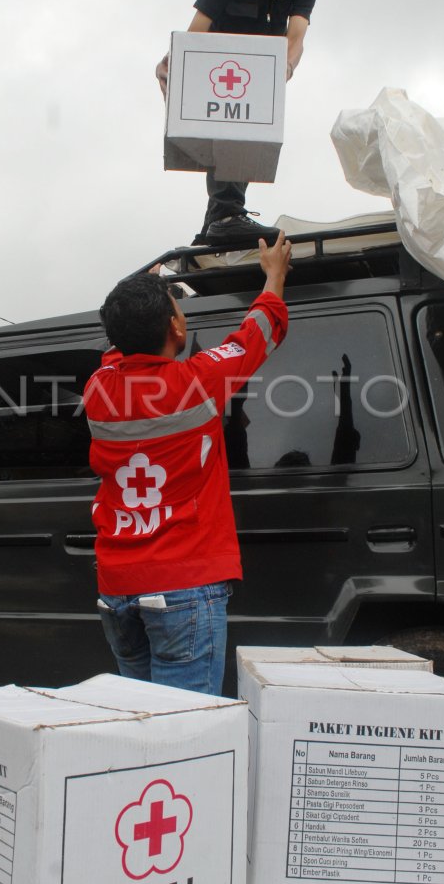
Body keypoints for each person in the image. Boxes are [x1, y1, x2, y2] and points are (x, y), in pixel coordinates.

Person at [84, 231, 292, 695]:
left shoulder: (99, 389)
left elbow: (119, 351)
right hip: (183, 587)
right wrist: (274, 274)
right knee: (187, 733)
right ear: (177, 330)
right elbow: (258, 332)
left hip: (117, 589)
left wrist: (143, 294)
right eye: (178, 313)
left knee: (143, 722)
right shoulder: (199, 382)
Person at [157, 0, 318, 246]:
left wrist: (284, 70)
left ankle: (221, 220)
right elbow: (198, 30)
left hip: (264, 66)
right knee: (229, 124)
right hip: (217, 64)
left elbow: (297, 35)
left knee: (251, 125)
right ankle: (225, 216)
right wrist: (179, 69)